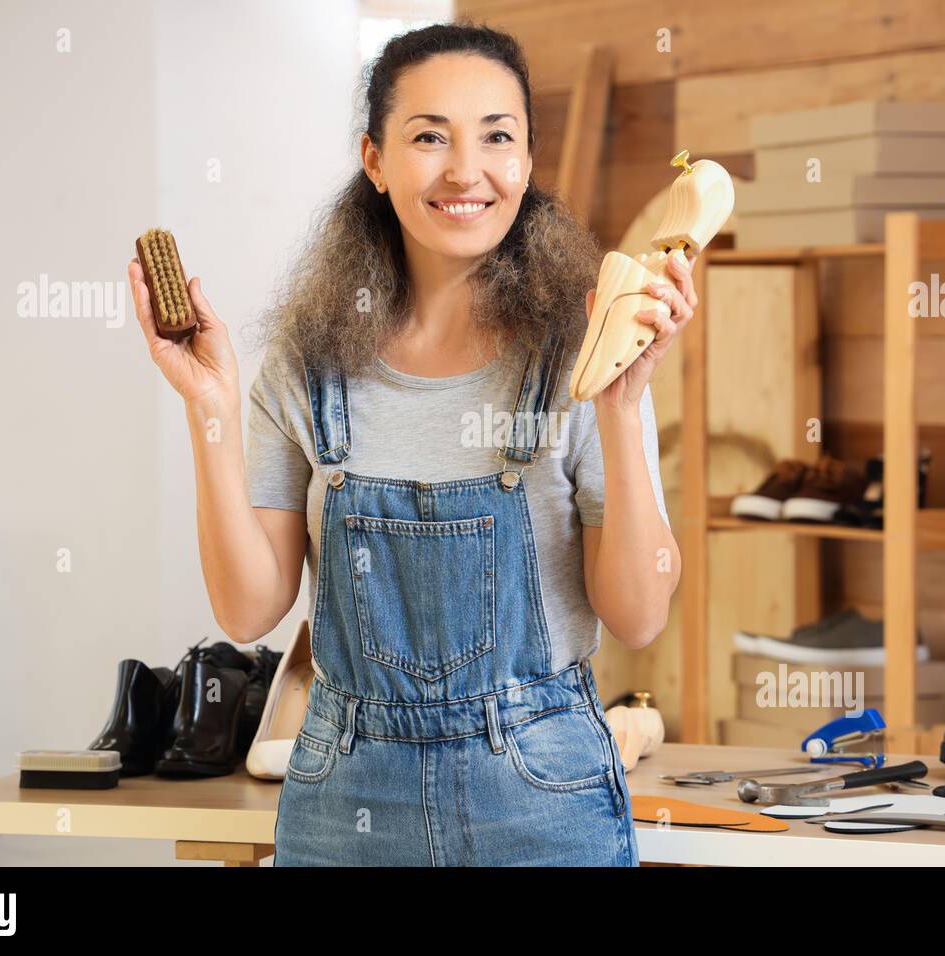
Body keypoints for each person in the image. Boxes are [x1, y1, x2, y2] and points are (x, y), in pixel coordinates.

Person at [127, 21, 695, 866]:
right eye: (430, 137)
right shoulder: (308, 368)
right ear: (375, 160)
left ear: (528, 161)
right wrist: (208, 405)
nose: (467, 170)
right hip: (346, 801)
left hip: (541, 804)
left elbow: (640, 615)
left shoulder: (588, 350)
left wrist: (619, 407)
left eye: (497, 137)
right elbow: (250, 608)